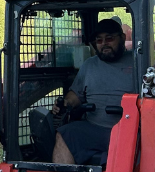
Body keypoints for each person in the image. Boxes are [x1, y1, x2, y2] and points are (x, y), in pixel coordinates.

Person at [50, 18, 135, 164]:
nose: (104, 44)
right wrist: (66, 102)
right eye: (99, 40)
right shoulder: (89, 65)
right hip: (95, 127)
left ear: (122, 38)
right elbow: (76, 94)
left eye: (109, 38)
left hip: (129, 129)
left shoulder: (137, 62)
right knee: (66, 134)